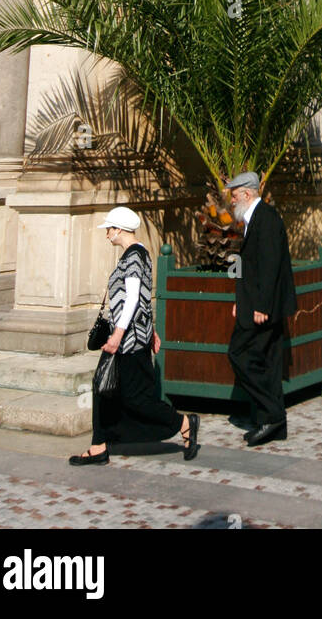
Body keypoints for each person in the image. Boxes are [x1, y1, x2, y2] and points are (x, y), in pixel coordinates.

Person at [70, 206, 198, 465]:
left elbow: (131, 301)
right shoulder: (133, 255)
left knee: (136, 397)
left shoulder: (135, 257)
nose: (107, 234)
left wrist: (117, 335)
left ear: (119, 229)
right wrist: (151, 330)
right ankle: (99, 446)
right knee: (104, 388)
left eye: (109, 229)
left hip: (128, 341)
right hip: (133, 336)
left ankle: (184, 422)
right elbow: (141, 299)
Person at [226, 172, 297, 446]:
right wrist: (240, 301)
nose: (231, 202)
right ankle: (274, 424)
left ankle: (274, 415)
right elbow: (250, 267)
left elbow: (270, 266)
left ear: (247, 194)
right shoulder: (254, 219)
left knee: (239, 354)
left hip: (264, 307)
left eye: (234, 197)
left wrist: (261, 306)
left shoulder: (265, 218)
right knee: (267, 361)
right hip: (256, 303)